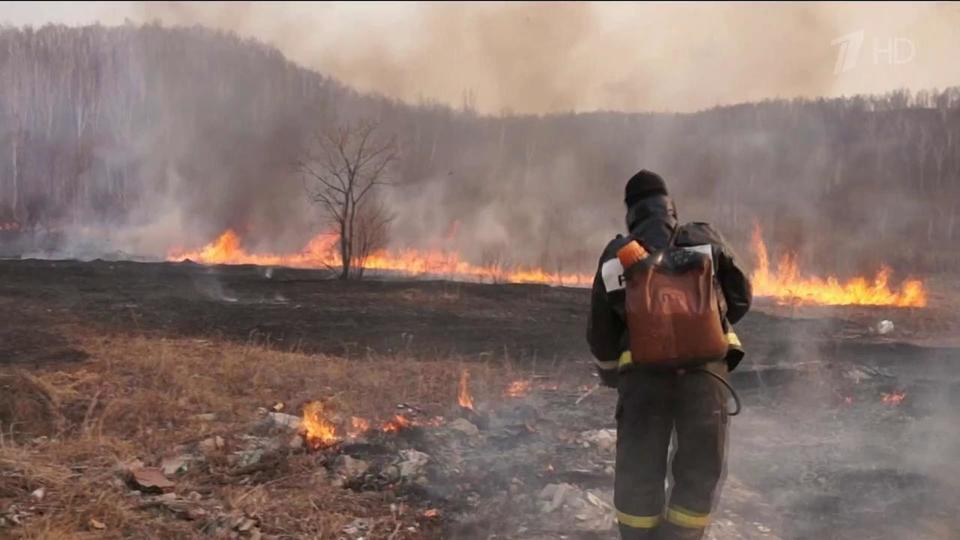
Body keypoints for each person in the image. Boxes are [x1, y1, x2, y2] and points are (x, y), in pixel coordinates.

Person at [586, 169, 752, 540]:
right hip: (706, 378)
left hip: (643, 383)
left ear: (631, 212)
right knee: (699, 470)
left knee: (639, 472)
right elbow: (741, 297)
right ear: (669, 206)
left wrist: (614, 375)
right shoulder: (704, 239)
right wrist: (705, 327)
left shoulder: (616, 256)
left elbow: (601, 336)